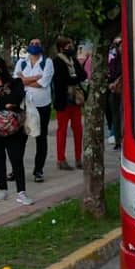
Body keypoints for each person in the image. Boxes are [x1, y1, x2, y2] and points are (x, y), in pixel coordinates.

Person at [0, 57, 33, 205]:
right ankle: (2, 189)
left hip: (13, 127)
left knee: (16, 158)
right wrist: (5, 103)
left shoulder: (15, 83)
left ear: (2, 68)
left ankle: (21, 192)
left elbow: (16, 98)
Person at [14, 37, 54, 183]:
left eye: (37, 43)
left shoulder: (47, 62)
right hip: (24, 105)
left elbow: (43, 83)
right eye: (32, 43)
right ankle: (16, 170)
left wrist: (25, 80)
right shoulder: (21, 62)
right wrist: (34, 78)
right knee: (20, 139)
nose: (34, 45)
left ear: (41, 46)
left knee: (40, 138)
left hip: (42, 105)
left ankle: (38, 170)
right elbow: (16, 82)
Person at [52, 35, 88, 170]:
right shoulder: (57, 61)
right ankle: (61, 159)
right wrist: (74, 78)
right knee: (62, 130)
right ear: (61, 48)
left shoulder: (73, 60)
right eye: (68, 46)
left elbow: (83, 75)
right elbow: (62, 80)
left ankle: (78, 158)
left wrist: (74, 78)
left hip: (75, 100)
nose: (71, 48)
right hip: (63, 101)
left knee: (78, 129)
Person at [107, 36, 123, 150]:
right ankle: (118, 140)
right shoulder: (113, 61)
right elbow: (109, 75)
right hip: (115, 91)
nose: (122, 48)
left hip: (124, 91)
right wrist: (110, 84)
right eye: (120, 46)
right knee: (116, 116)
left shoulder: (129, 61)